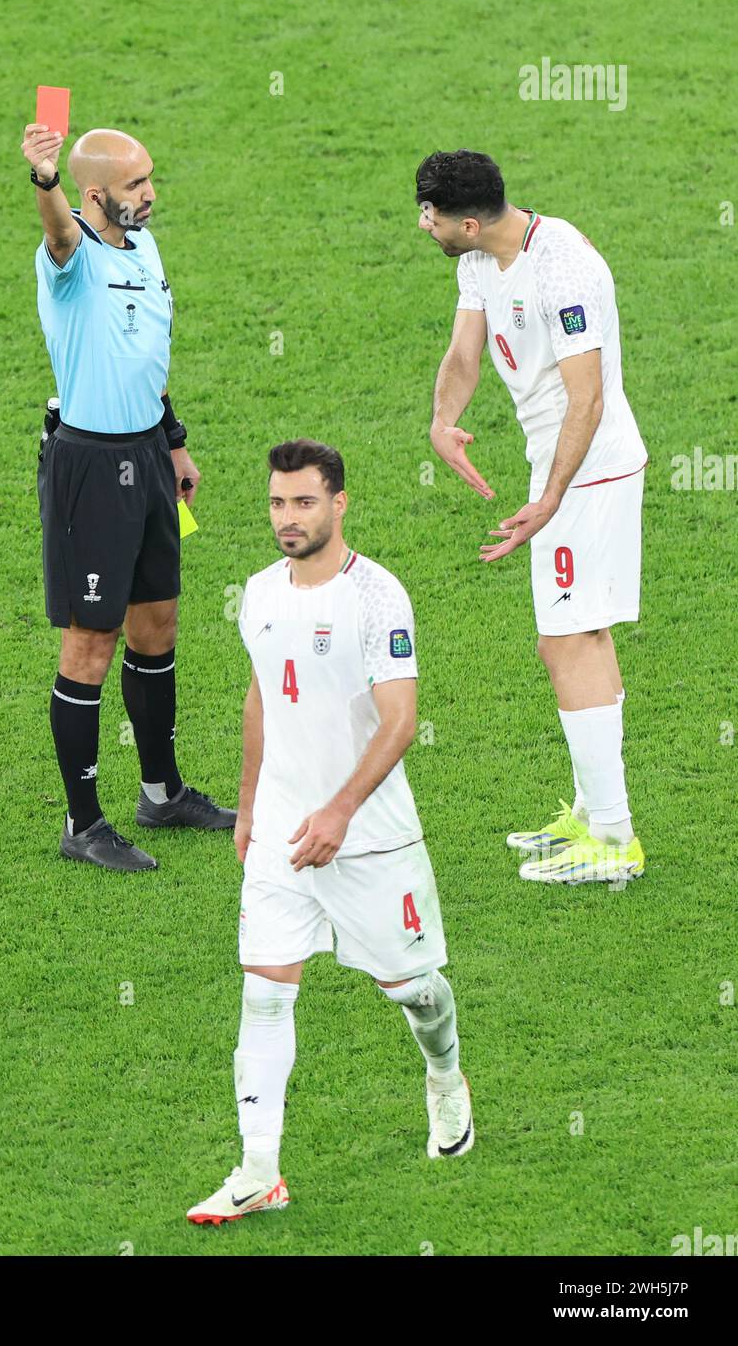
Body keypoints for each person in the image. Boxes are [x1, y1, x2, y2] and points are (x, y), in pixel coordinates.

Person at [186, 439, 472, 1225]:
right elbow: (259, 699)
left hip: (370, 839)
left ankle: (444, 1077)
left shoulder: (376, 596)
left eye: (303, 502)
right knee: (264, 995)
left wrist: (341, 810)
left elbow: (401, 719)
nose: (287, 518)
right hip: (282, 834)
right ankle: (256, 1170)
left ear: (338, 503)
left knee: (412, 991)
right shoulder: (257, 592)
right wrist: (249, 806)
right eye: (277, 503)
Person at [417, 150, 647, 886]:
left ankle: (613, 839)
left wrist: (549, 498)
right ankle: (593, 812)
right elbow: (464, 351)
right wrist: (441, 420)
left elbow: (588, 398)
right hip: (560, 469)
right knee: (580, 637)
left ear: (471, 221)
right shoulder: (480, 259)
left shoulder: (561, 269)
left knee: (565, 642)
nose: (425, 225)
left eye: (433, 216)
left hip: (587, 470)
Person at [21, 121, 235, 873]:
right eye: (136, 184)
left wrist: (173, 439)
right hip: (88, 468)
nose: (150, 193)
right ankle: (82, 825)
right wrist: (44, 183)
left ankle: (162, 792)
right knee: (90, 642)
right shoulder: (68, 255)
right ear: (95, 195)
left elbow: (151, 346)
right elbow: (56, 235)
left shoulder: (143, 244)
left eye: (150, 178)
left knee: (157, 625)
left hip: (146, 455)